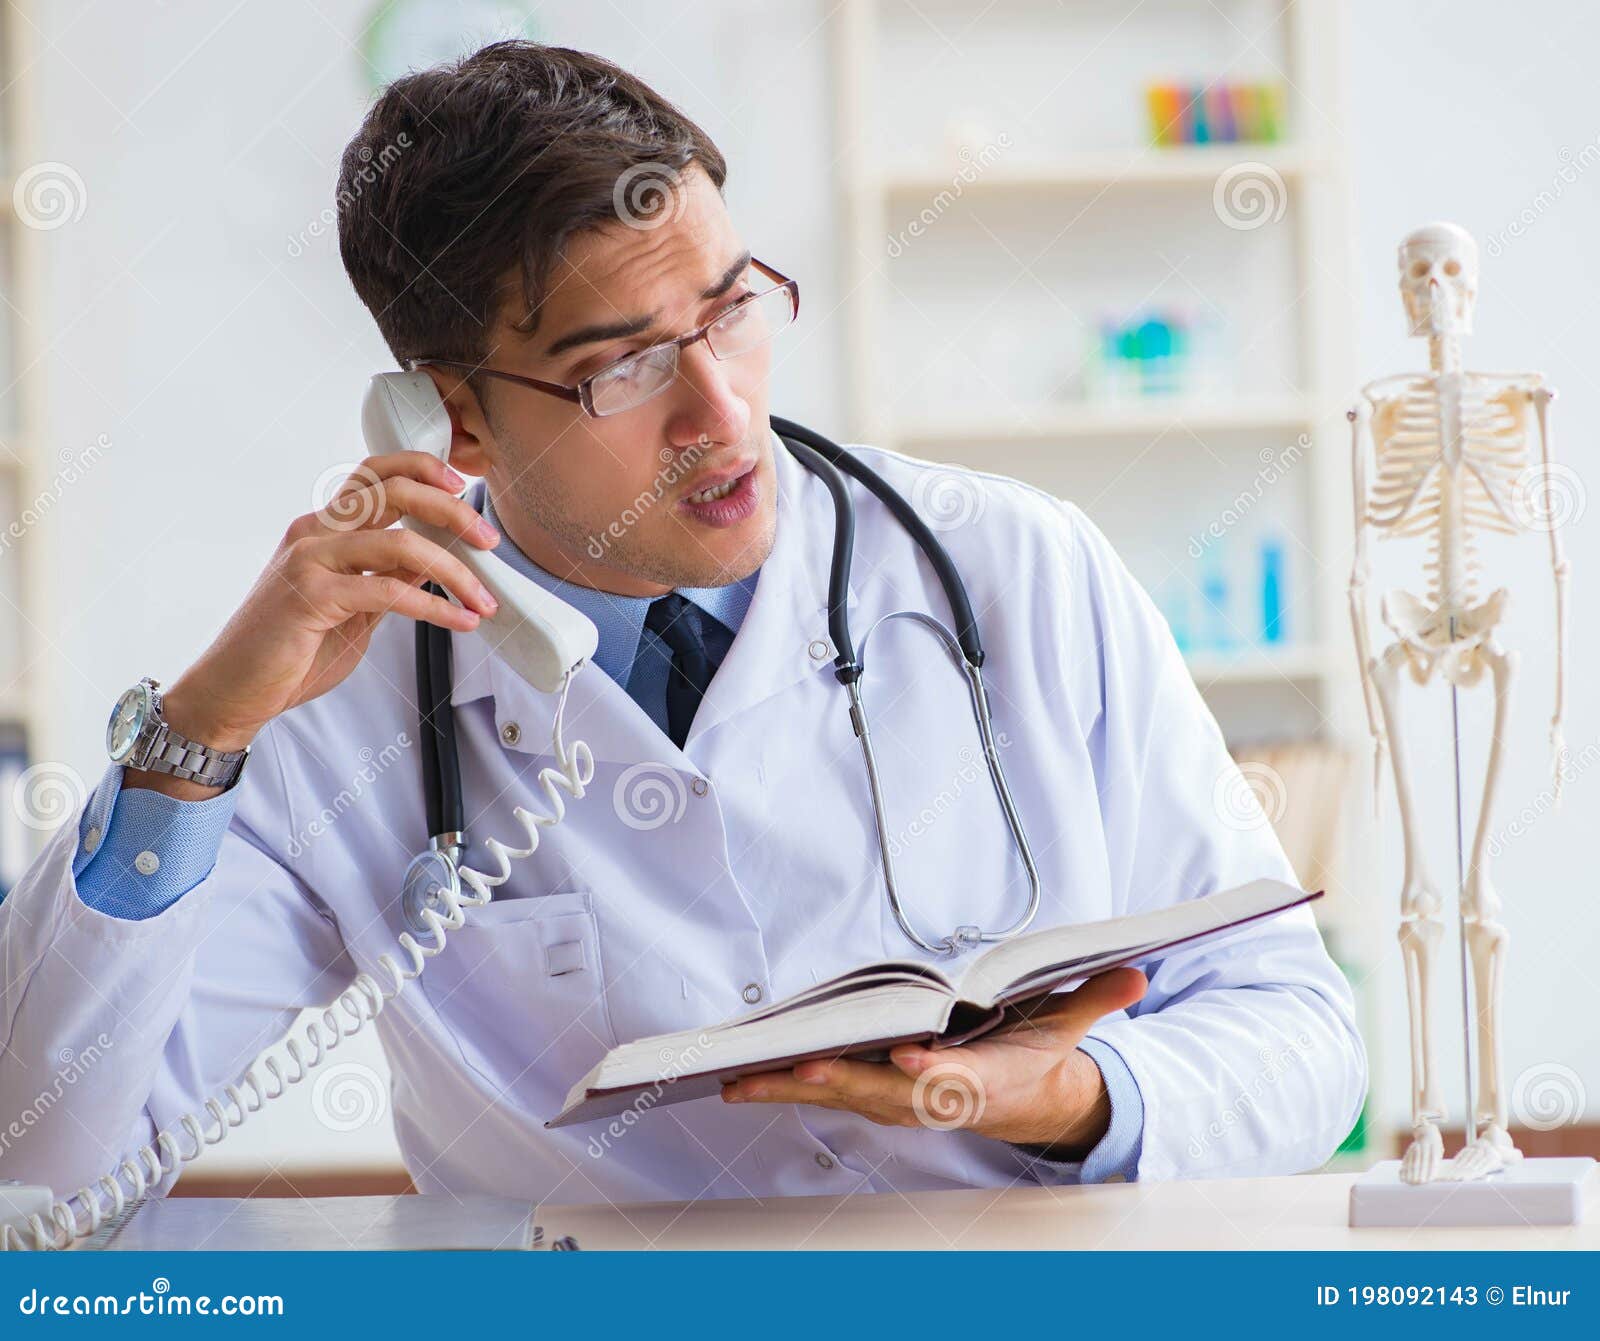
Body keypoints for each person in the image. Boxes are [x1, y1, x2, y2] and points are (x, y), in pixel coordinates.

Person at [0, 41, 1364, 1213]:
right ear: (451, 419)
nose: (720, 410)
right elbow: (42, 1163)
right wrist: (194, 740)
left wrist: (1072, 1093)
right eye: (625, 366)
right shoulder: (335, 701)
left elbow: (1302, 1035)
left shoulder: (1013, 568)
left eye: (732, 311)